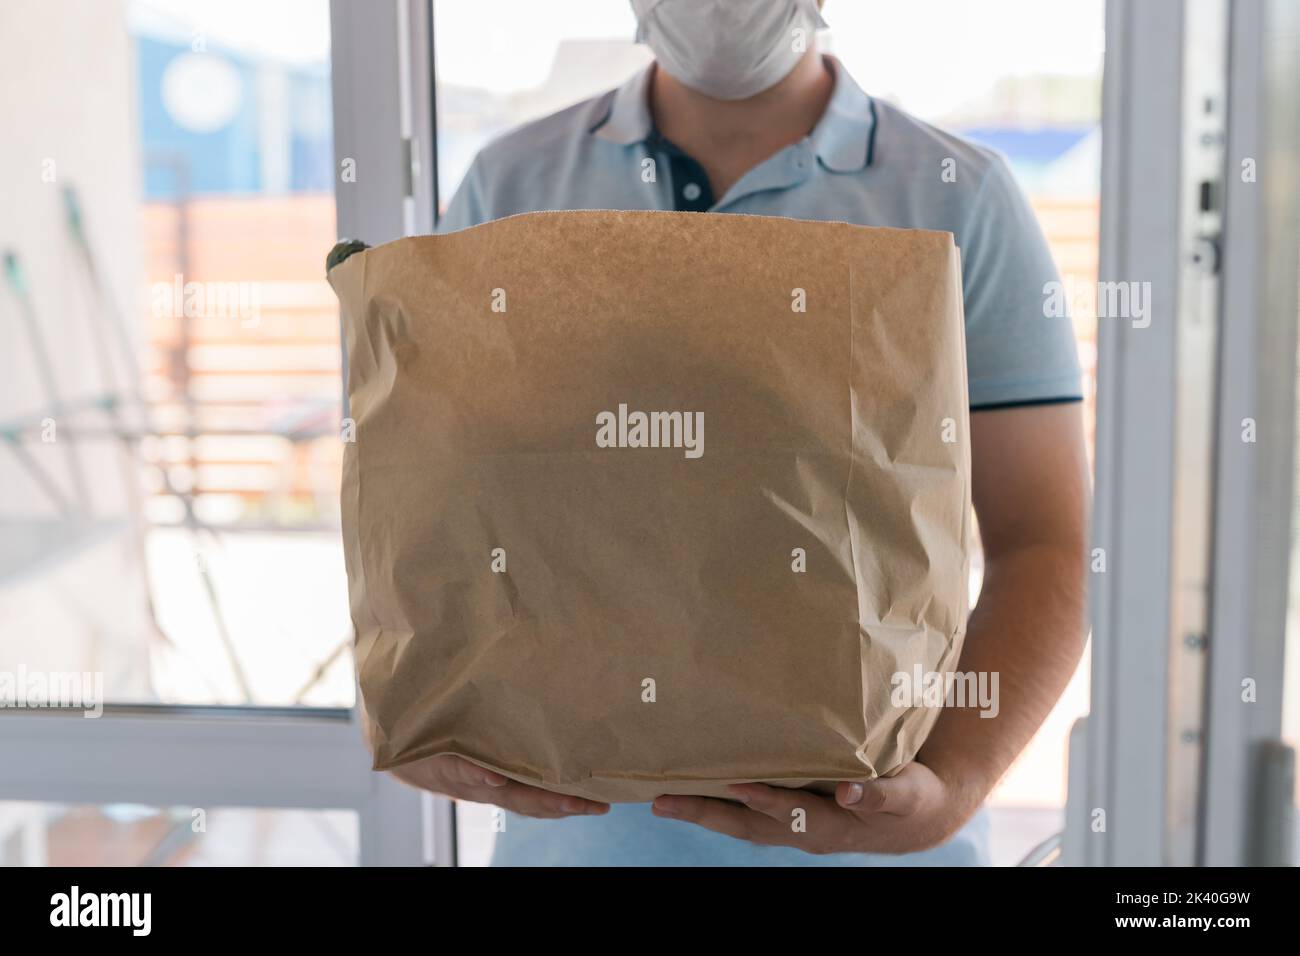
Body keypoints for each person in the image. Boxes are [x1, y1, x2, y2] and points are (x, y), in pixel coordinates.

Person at [371, 0, 1089, 866]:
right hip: (581, 850)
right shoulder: (512, 182)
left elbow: (1045, 540)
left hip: (869, 845)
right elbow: (440, 503)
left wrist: (952, 789)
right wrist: (423, 722)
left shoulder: (957, 194)